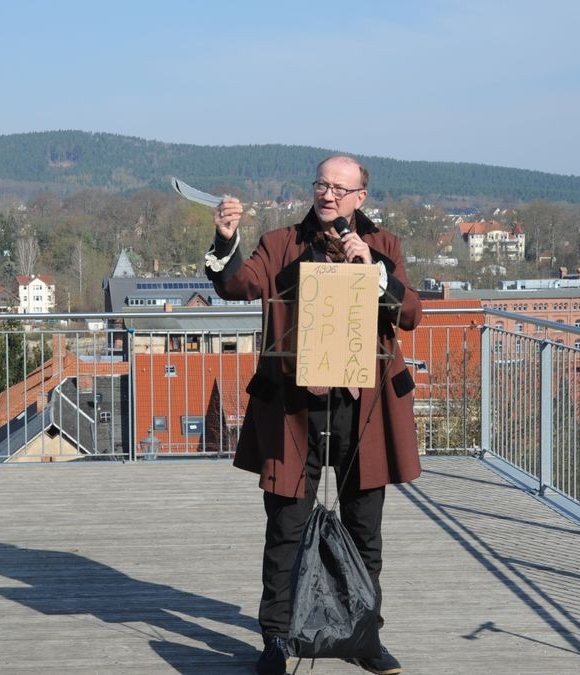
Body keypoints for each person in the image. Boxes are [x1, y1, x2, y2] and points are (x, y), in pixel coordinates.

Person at [204, 156, 422, 675]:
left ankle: (364, 636)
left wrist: (373, 271)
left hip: (363, 409)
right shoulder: (280, 242)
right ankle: (277, 639)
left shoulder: (383, 245)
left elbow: (411, 314)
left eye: (339, 188)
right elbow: (237, 286)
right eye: (321, 184)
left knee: (365, 532)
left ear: (360, 197)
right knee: (285, 530)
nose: (328, 194)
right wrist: (225, 241)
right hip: (294, 409)